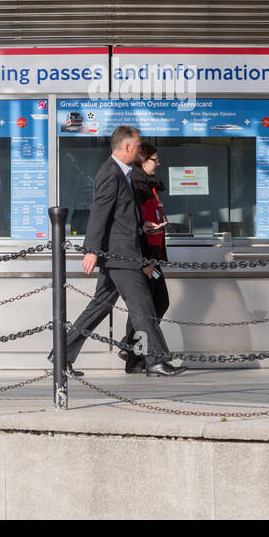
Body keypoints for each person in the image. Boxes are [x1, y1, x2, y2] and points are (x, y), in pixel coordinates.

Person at [57, 126, 184, 377]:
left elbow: (120, 214)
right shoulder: (111, 173)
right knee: (143, 307)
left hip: (120, 252)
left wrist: (142, 225)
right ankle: (156, 361)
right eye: (137, 145)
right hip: (121, 256)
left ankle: (61, 356)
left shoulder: (122, 172)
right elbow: (99, 213)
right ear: (127, 147)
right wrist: (91, 250)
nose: (139, 149)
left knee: (100, 307)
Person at [118, 143, 171, 373]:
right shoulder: (137, 187)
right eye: (154, 159)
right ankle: (134, 355)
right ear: (142, 161)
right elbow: (135, 227)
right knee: (145, 308)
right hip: (146, 258)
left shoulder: (150, 187)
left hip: (155, 257)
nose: (158, 164)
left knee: (157, 304)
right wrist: (145, 261)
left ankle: (131, 350)